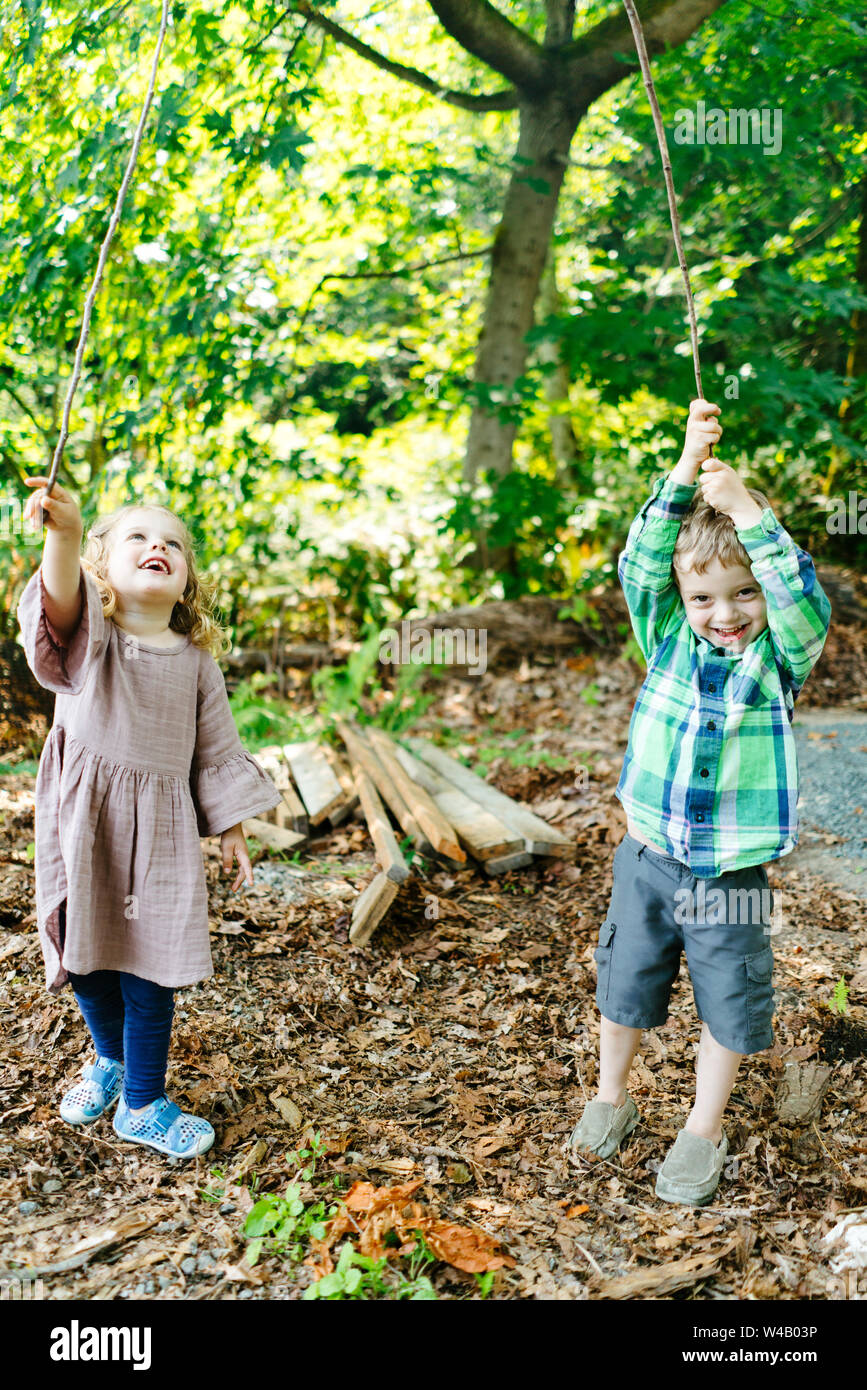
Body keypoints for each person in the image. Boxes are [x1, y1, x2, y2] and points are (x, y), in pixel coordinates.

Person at [569, 400, 832, 1205]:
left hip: (730, 875)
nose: (724, 615)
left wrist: (747, 508)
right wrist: (685, 467)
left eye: (741, 594)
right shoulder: (668, 637)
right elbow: (643, 560)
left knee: (729, 1005)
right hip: (647, 859)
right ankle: (611, 1097)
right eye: (704, 599)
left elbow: (799, 599)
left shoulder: (779, 656)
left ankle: (702, 1128)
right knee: (624, 988)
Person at [17, 477, 283, 1159]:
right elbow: (59, 599)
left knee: (150, 966)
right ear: (103, 565)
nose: (157, 546)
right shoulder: (91, 639)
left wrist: (231, 828)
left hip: (160, 834)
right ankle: (107, 1059)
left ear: (187, 579)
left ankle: (141, 1100)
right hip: (85, 823)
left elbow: (218, 751)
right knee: (87, 955)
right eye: (138, 536)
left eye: (171, 542)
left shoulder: (196, 663)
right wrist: (65, 535)